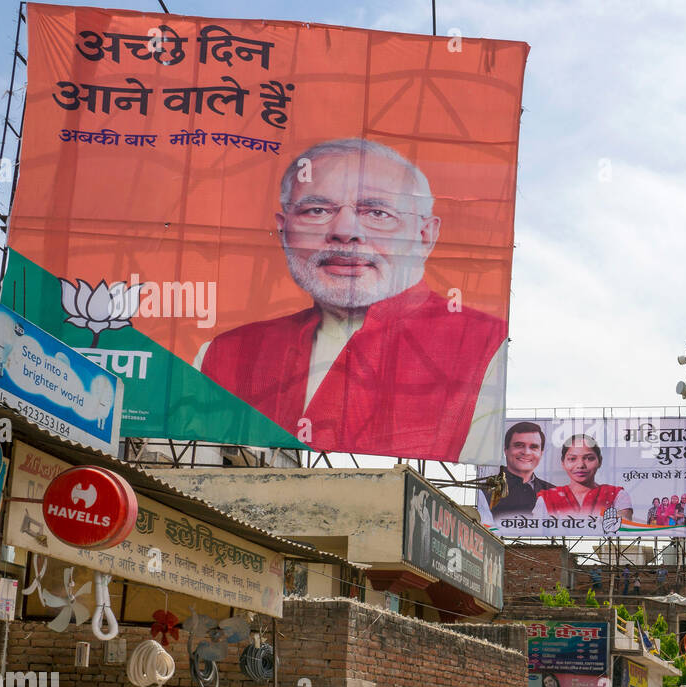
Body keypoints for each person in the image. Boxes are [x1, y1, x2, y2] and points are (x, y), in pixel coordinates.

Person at [199, 138, 506, 460]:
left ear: (425, 235)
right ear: (282, 229)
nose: (344, 231)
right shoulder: (226, 353)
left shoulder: (485, 346)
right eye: (316, 210)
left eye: (377, 212)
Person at [532, 435, 633, 520]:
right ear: (563, 462)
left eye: (589, 458)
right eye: (572, 459)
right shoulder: (547, 498)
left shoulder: (617, 495)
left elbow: (622, 530)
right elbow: (538, 532)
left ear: (600, 461)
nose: (580, 465)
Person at [478, 422, 554, 521]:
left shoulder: (553, 493)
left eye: (533, 447)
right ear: (506, 449)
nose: (526, 452)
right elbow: (487, 526)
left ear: (541, 453)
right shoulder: (486, 489)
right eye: (519, 445)